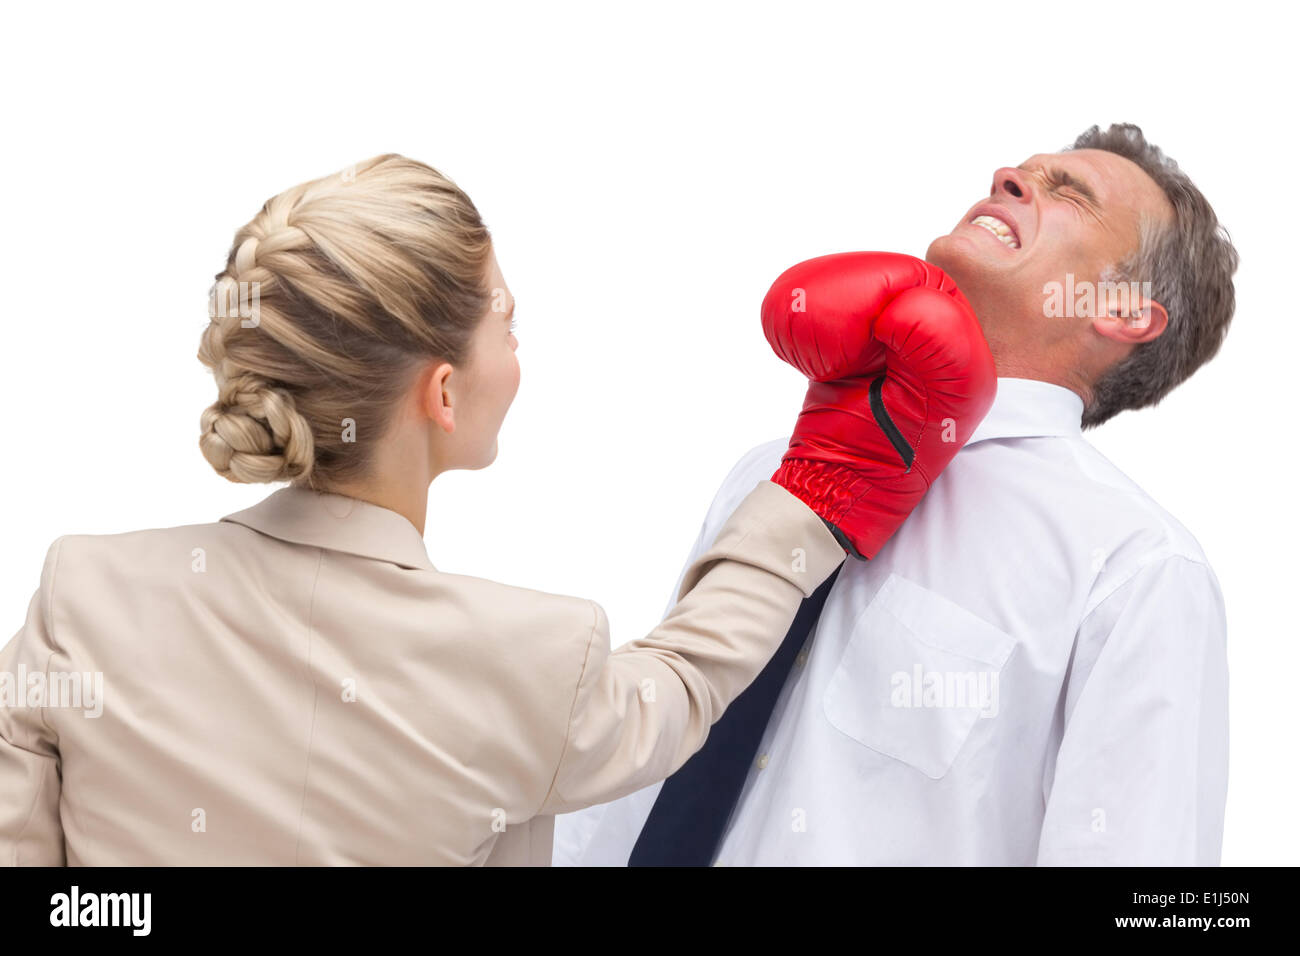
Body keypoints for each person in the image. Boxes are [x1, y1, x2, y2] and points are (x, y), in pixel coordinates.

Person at [0, 154, 994, 865]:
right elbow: (686, 682)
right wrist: (820, 490)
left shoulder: (83, 589)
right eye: (504, 319)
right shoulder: (529, 655)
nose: (519, 349)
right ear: (441, 392)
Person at [554, 122, 1239, 867]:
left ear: (1124, 310)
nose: (1008, 176)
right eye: (1023, 171)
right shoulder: (771, 470)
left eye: (1067, 192)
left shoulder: (1136, 569)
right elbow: (643, 757)